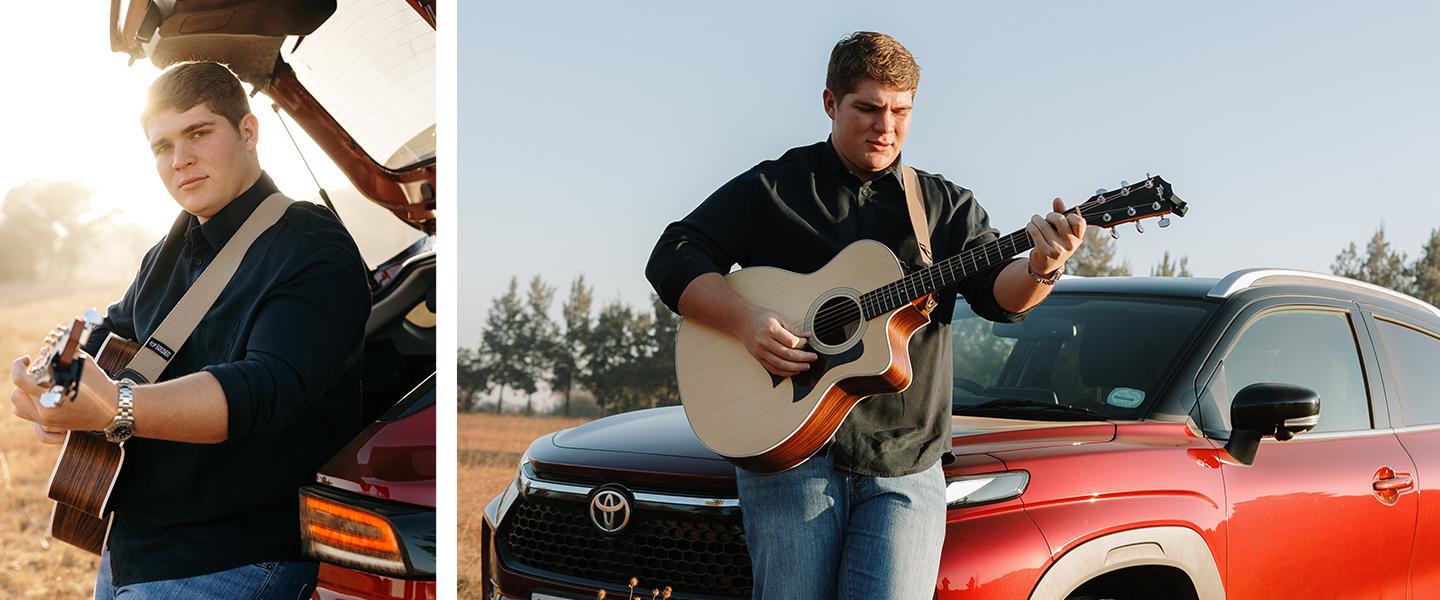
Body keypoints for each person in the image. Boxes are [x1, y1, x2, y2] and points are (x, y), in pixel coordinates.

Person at [645, 32, 1085, 598]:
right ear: (830, 103)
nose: (886, 127)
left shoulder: (944, 207)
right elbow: (674, 254)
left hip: (905, 460)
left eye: (901, 111)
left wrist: (1044, 266)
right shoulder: (773, 187)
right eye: (869, 108)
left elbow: (999, 296)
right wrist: (746, 322)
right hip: (790, 458)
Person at [8, 61, 370, 599]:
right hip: (131, 551)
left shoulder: (312, 249)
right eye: (162, 146)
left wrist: (115, 408)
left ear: (248, 132)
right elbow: (110, 336)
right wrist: (52, 393)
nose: (181, 161)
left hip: (234, 560)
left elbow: (264, 389)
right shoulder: (168, 250)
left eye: (199, 133)